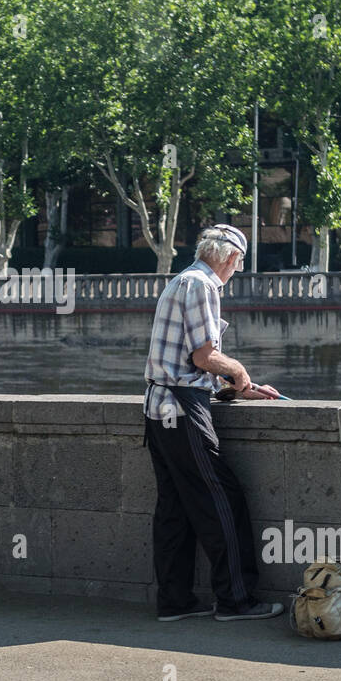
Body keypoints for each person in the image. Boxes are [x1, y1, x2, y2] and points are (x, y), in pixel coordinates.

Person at [143, 224, 284, 622]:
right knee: (223, 499)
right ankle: (236, 600)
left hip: (159, 407)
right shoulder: (203, 285)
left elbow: (187, 361)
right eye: (238, 263)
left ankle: (175, 601)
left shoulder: (180, 281)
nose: (236, 271)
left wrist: (237, 387)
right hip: (183, 408)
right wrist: (238, 370)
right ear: (229, 257)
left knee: (175, 507)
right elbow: (204, 356)